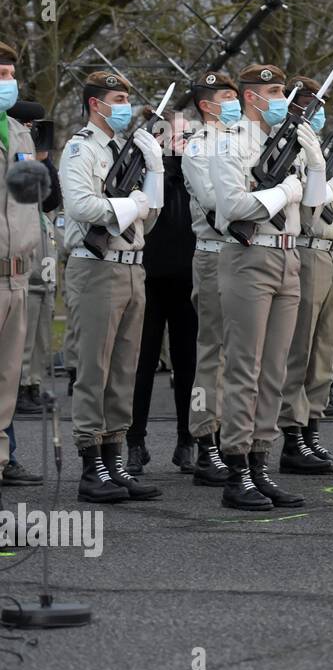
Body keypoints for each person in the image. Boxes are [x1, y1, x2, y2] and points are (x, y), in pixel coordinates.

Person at [211, 64, 320, 510]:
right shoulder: (228, 143)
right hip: (249, 255)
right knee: (245, 367)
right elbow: (232, 205)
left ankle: (260, 464)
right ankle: (236, 469)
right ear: (252, 97)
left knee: (276, 369)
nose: (282, 99)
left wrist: (312, 163)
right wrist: (285, 192)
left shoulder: (288, 142)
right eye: (274, 91)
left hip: (288, 254)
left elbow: (312, 203)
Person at [60, 69, 163, 503]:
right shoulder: (80, 148)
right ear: (95, 104)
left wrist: (154, 169)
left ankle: (115, 460)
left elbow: (150, 218)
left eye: (126, 99)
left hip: (132, 267)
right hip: (96, 268)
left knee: (125, 368)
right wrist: (131, 203)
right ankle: (90, 466)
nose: (123, 107)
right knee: (94, 369)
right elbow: (82, 205)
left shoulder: (128, 150)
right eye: (116, 99)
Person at [277, 75, 333, 473]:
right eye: (311, 104)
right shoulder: (287, 146)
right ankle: (292, 435)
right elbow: (313, 193)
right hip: (305, 250)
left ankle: (312, 432)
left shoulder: (319, 146)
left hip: (332, 251)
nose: (318, 112)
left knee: (324, 349)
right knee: (300, 350)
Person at [126, 109, 198, 475]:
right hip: (148, 275)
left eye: (185, 136)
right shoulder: (139, 168)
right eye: (176, 136)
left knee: (188, 365)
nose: (181, 143)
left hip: (188, 278)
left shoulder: (195, 168)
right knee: (141, 365)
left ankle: (187, 439)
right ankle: (135, 441)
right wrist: (158, 161)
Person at [182, 69, 240, 487]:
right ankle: (207, 442)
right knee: (212, 354)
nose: (235, 103)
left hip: (244, 255)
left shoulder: (242, 143)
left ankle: (240, 441)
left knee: (243, 356)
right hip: (215, 254)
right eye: (227, 97)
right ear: (207, 105)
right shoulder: (199, 148)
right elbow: (214, 201)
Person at [0, 48, 49, 505]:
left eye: (11, 73)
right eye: (1, 74)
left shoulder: (17, 130)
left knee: (7, 383)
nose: (8, 82)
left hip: (17, 274)